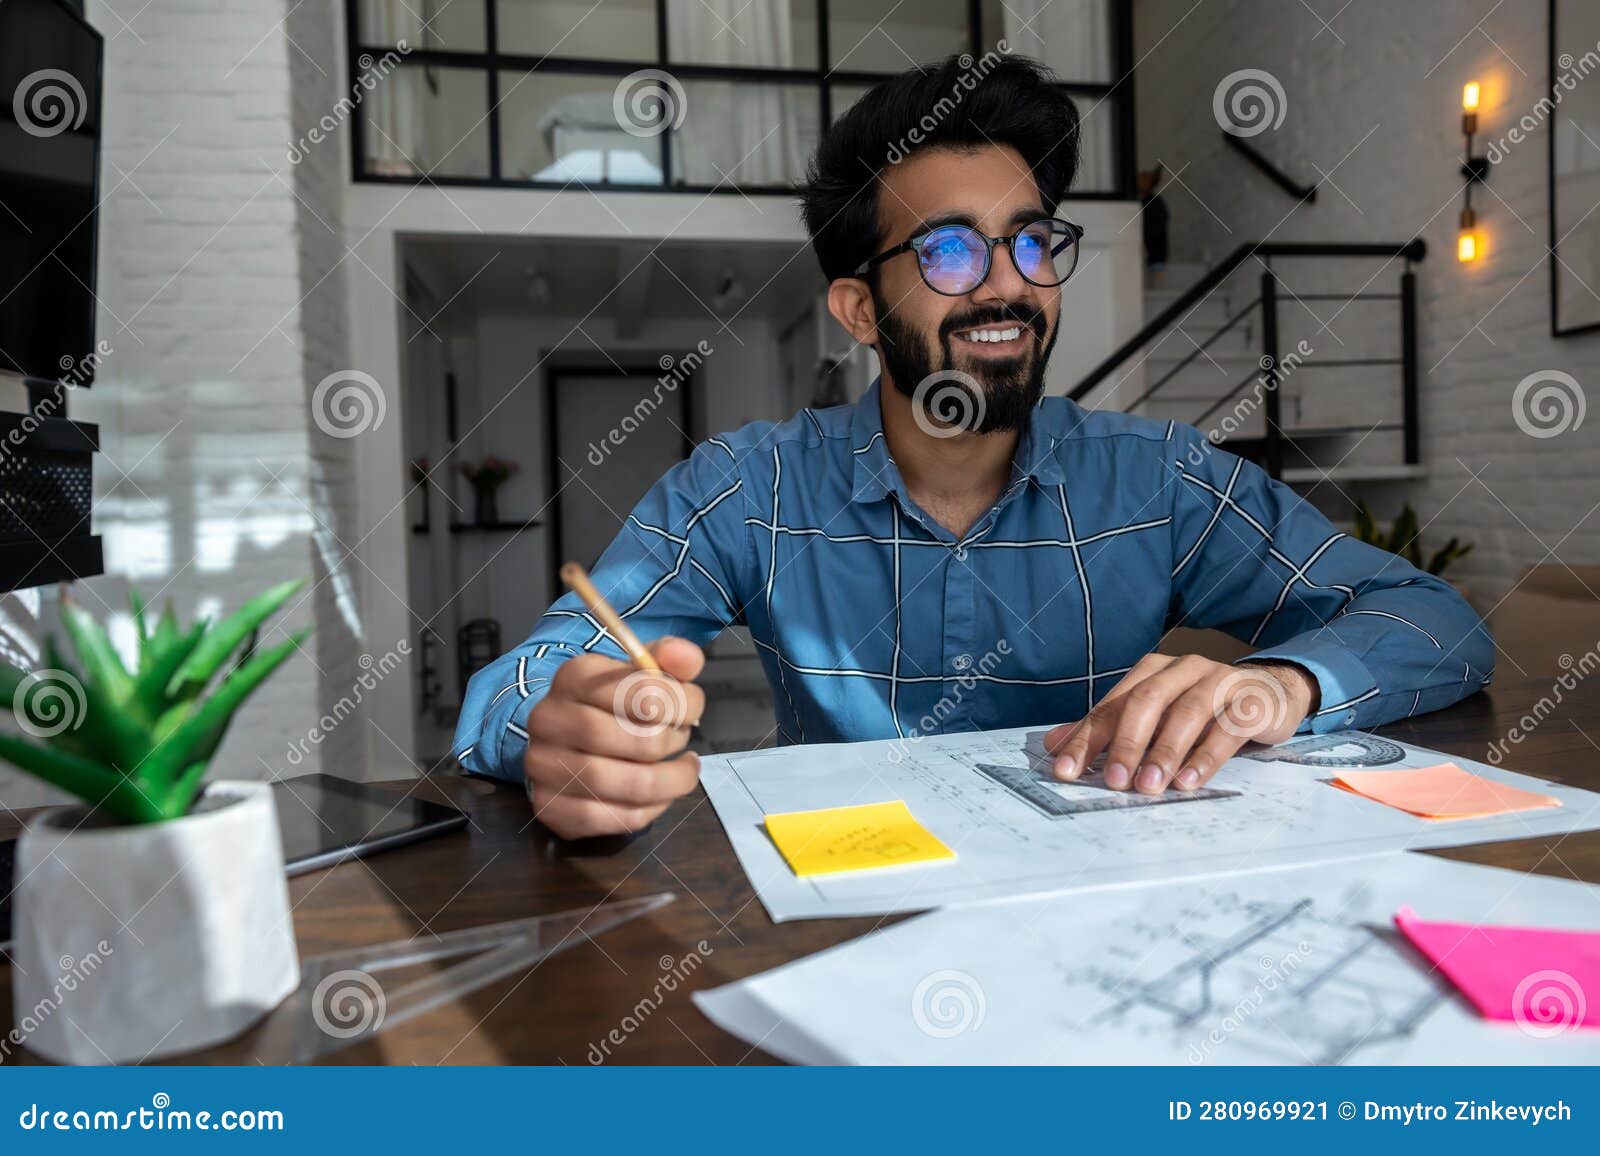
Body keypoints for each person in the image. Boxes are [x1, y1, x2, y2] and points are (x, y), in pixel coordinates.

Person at [454, 55, 1492, 839]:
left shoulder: (1160, 479)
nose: (1007, 282)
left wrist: (1282, 686)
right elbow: (517, 682)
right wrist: (562, 721)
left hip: (1113, 907)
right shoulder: (747, 486)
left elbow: (1434, 619)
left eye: (1031, 240)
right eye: (949, 248)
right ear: (859, 308)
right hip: (849, 906)